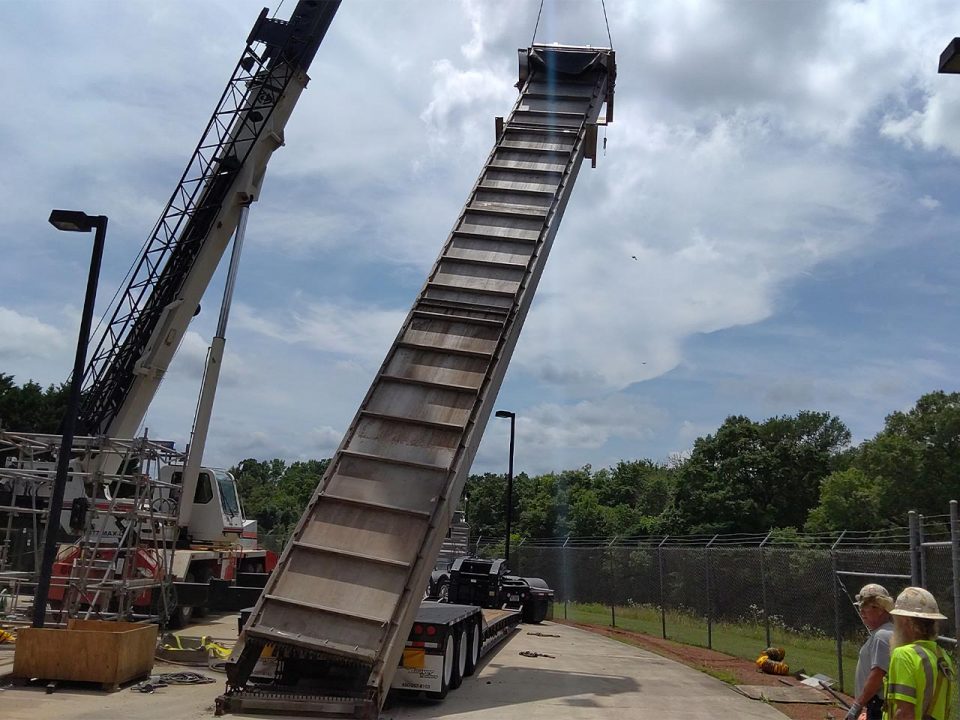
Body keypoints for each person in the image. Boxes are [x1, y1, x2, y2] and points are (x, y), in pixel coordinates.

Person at [883, 586, 955, 720]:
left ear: (906, 621)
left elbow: (904, 714)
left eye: (896, 620)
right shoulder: (942, 656)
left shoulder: (904, 655)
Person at [847, 584, 894, 720]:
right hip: (875, 704)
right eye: (860, 607)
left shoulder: (882, 635)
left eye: (865, 607)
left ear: (880, 609)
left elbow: (878, 674)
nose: (861, 612)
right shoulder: (884, 632)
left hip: (877, 704)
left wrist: (857, 705)